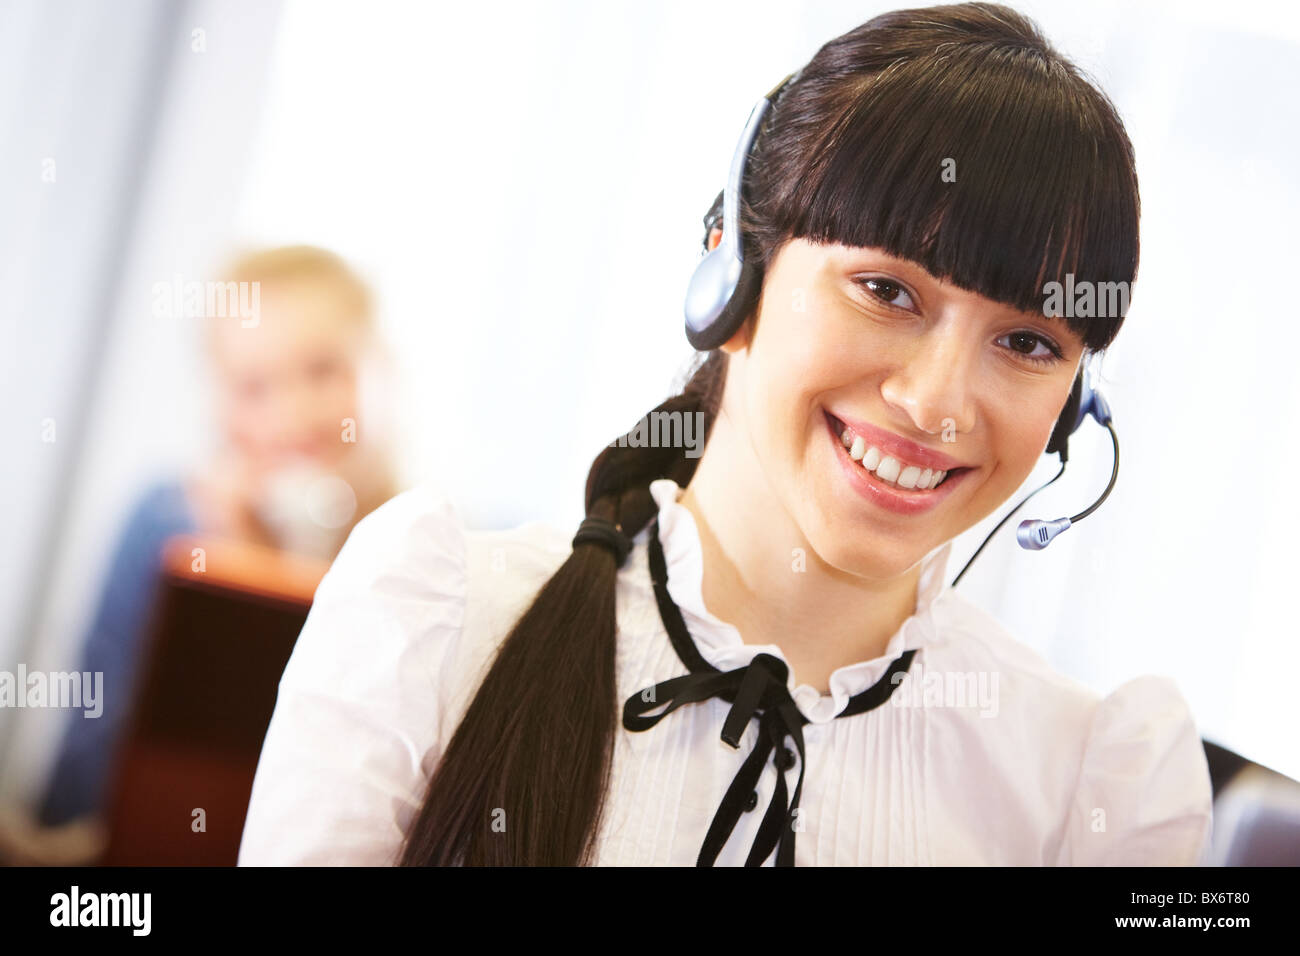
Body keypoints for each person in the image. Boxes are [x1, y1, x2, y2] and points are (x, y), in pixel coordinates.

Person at [238, 3, 1213, 866]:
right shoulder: (432, 621)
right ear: (734, 275)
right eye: (886, 290)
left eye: (1027, 340)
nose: (937, 402)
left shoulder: (1090, 788)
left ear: (1072, 403)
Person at [3, 245, 399, 864]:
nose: (291, 414)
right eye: (253, 388)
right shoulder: (166, 526)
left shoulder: (420, 554)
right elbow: (86, 766)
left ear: (381, 370)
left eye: (323, 372)